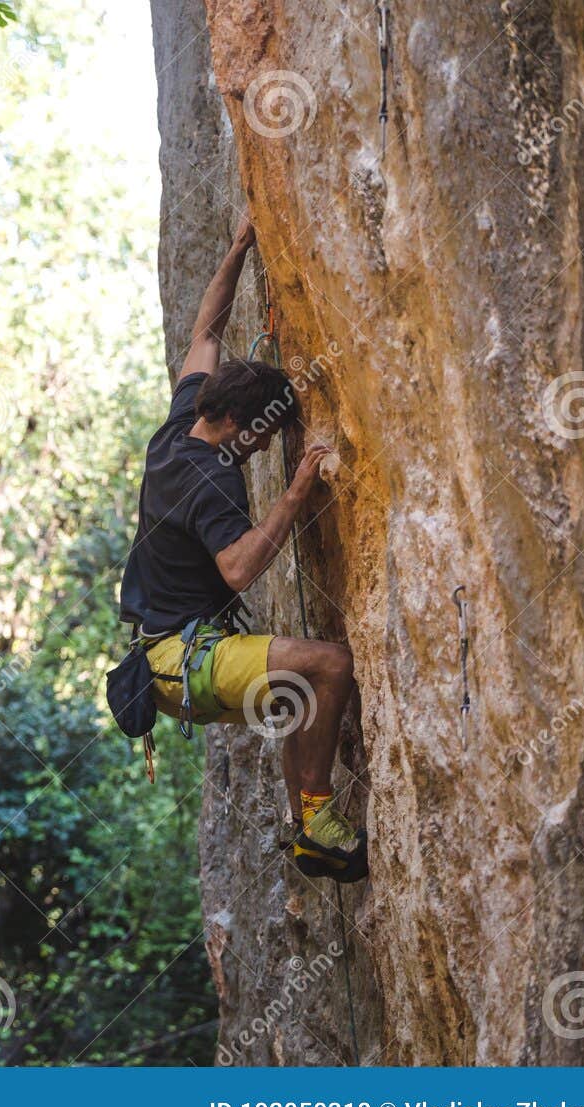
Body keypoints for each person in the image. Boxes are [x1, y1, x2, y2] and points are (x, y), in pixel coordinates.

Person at [117, 211, 366, 883]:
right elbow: (239, 566)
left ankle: (306, 831)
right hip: (181, 661)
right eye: (256, 431)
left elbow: (207, 328)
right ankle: (314, 818)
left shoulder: (179, 427)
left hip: (167, 655)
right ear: (228, 420)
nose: (258, 440)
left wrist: (240, 244)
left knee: (291, 695)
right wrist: (296, 490)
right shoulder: (214, 480)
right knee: (329, 665)